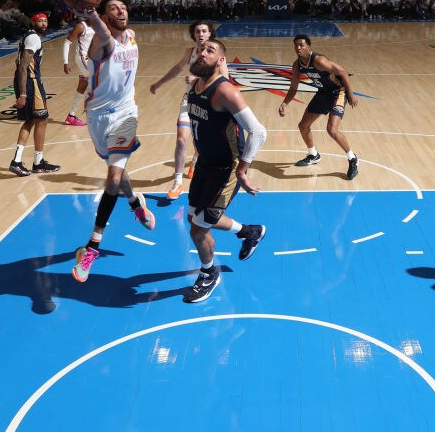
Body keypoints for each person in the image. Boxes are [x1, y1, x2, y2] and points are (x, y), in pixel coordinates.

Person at [70, 0, 156, 283]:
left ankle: (92, 246)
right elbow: (104, 35)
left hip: (126, 114)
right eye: (113, 9)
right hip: (97, 117)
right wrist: (92, 16)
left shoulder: (131, 36)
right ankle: (135, 203)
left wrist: (95, 15)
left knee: (114, 176)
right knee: (116, 176)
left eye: (123, 7)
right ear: (105, 18)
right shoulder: (100, 42)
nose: (121, 11)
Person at [182, 37, 268, 303]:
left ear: (221, 61)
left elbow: (258, 131)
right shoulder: (195, 85)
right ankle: (248, 232)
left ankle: (209, 274)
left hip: (225, 168)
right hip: (206, 164)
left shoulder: (225, 91)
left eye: (210, 50)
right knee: (195, 219)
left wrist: (243, 169)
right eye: (200, 49)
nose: (202, 52)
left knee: (198, 229)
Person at [148, 21, 223, 199]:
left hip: (209, 103)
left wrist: (197, 80)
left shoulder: (217, 54)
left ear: (210, 33)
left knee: (201, 142)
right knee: (181, 141)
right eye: (197, 31)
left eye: (204, 31)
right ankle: (177, 182)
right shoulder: (190, 52)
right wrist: (159, 83)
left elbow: (224, 78)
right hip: (189, 100)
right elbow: (177, 69)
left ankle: (196, 159)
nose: (201, 34)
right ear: (194, 34)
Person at [278, 35, 359, 179]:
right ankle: (313, 154)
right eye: (296, 45)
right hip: (323, 93)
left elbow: (343, 72)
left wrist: (351, 95)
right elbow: (293, 88)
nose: (298, 48)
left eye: (301, 45)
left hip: (337, 92)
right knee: (303, 125)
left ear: (308, 47)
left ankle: (353, 158)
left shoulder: (319, 61)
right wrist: (285, 103)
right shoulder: (297, 65)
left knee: (331, 130)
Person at [8, 13, 60, 177]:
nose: (44, 24)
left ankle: (25, 161)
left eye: (45, 21)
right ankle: (32, 162)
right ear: (33, 22)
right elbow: (23, 66)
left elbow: (20, 65)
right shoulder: (33, 39)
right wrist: (23, 93)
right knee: (41, 119)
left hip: (29, 81)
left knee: (31, 120)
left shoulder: (30, 37)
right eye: (40, 21)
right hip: (30, 82)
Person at [61, 17, 95, 126]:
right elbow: (67, 42)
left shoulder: (97, 26)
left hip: (92, 59)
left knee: (83, 85)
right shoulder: (81, 26)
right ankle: (94, 111)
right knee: (98, 80)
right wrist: (65, 62)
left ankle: (71, 115)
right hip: (83, 58)